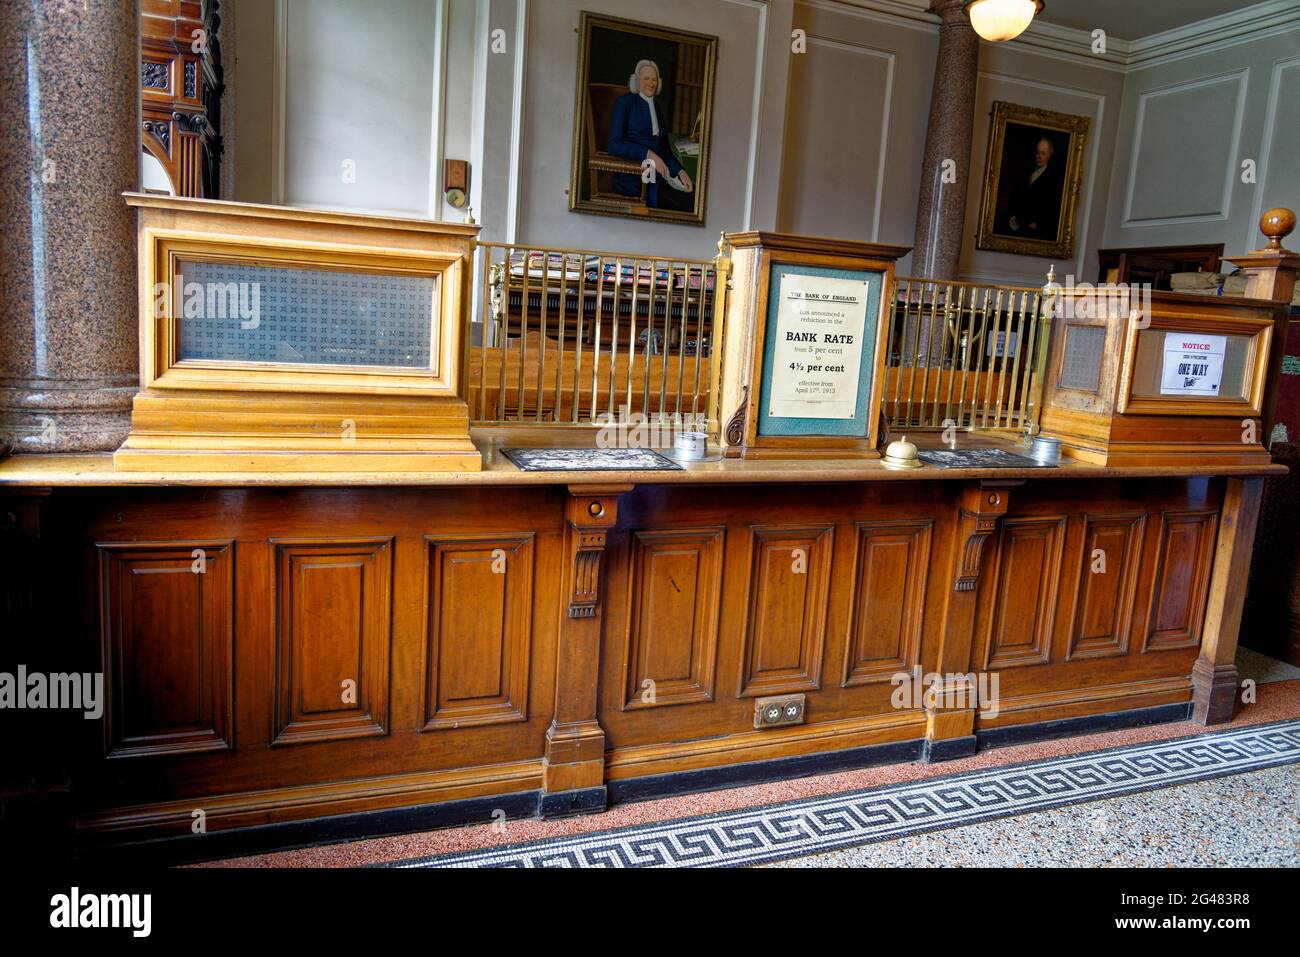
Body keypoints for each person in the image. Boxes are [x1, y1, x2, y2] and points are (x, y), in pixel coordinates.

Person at [607, 59, 694, 210]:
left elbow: (665, 150)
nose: (651, 83)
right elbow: (614, 144)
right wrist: (649, 154)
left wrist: (681, 171)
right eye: (646, 78)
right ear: (637, 80)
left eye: (654, 79)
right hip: (633, 175)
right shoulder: (624, 103)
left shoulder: (658, 109)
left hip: (657, 177)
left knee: (690, 199)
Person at [1002, 135, 1064, 240]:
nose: (1039, 156)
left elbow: (1052, 207)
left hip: (1036, 231)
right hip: (1018, 226)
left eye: (1043, 153)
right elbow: (1017, 196)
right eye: (1038, 153)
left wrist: (1039, 224)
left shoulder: (1054, 178)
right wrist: (1013, 216)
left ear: (1049, 155)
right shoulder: (1027, 173)